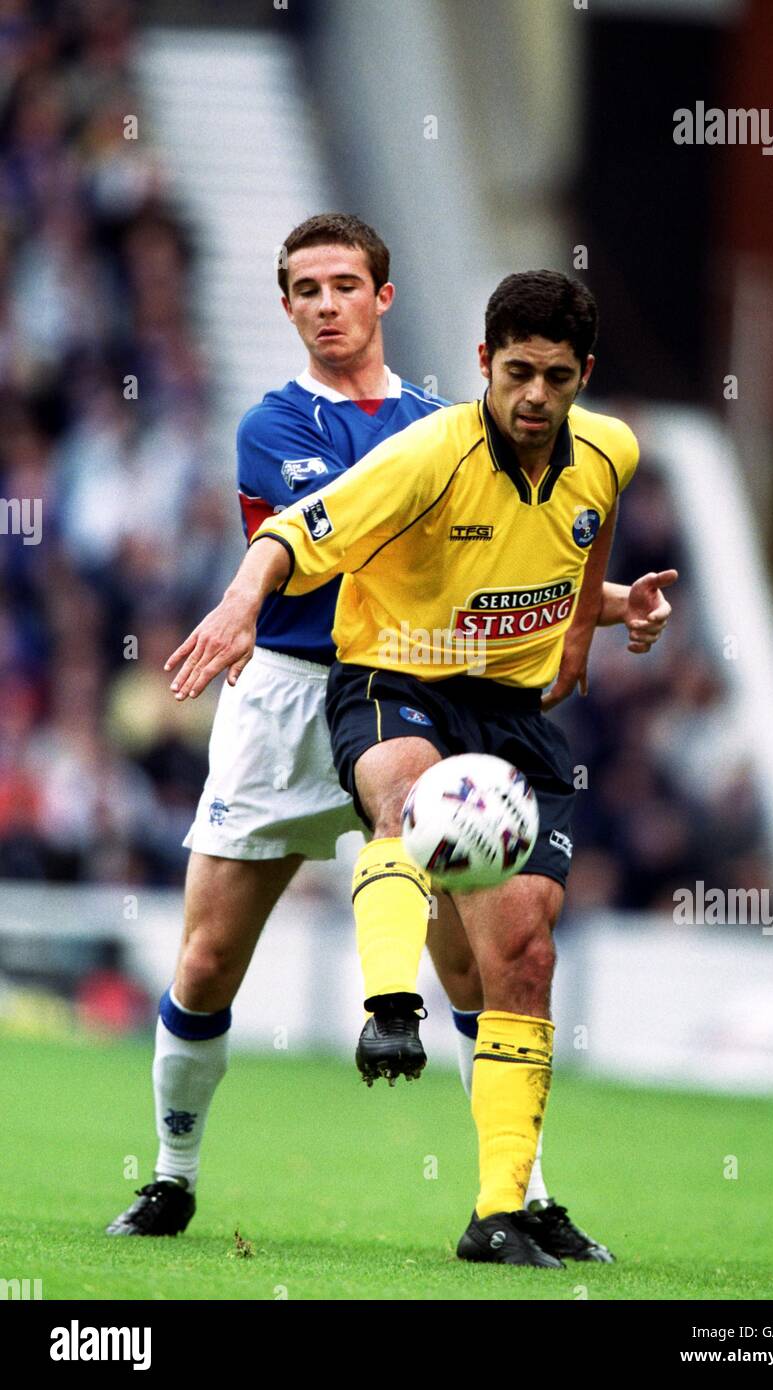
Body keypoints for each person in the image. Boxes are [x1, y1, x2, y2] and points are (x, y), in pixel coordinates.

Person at [106, 217, 671, 1255]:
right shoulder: (280, 427)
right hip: (287, 689)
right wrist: (237, 603)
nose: (326, 305)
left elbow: (513, 558)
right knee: (207, 958)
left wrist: (606, 601)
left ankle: (516, 1191)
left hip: (422, 687)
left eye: (345, 285)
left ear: (384, 298)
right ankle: (172, 1174)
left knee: (484, 960)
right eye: (306, 289)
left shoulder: (463, 419)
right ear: (285, 308)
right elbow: (341, 543)